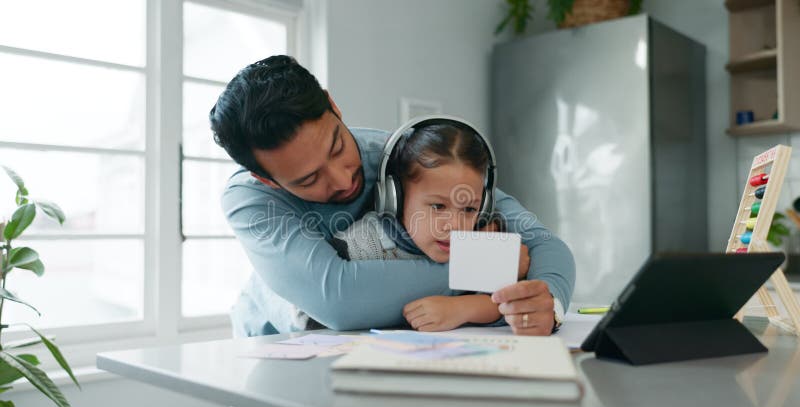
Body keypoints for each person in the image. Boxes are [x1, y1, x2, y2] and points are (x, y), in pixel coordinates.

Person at [210, 55, 575, 337]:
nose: (342, 178)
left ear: (333, 105)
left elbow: (543, 244)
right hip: (273, 348)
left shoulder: (400, 157)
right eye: (309, 179)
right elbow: (339, 299)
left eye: (337, 147)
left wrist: (549, 305)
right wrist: (489, 266)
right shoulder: (249, 200)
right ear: (267, 180)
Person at [316, 117, 526, 332]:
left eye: (469, 209)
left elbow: (510, 302)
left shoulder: (479, 241)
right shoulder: (358, 247)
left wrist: (462, 308)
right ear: (395, 199)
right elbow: (318, 310)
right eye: (438, 206)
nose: (454, 225)